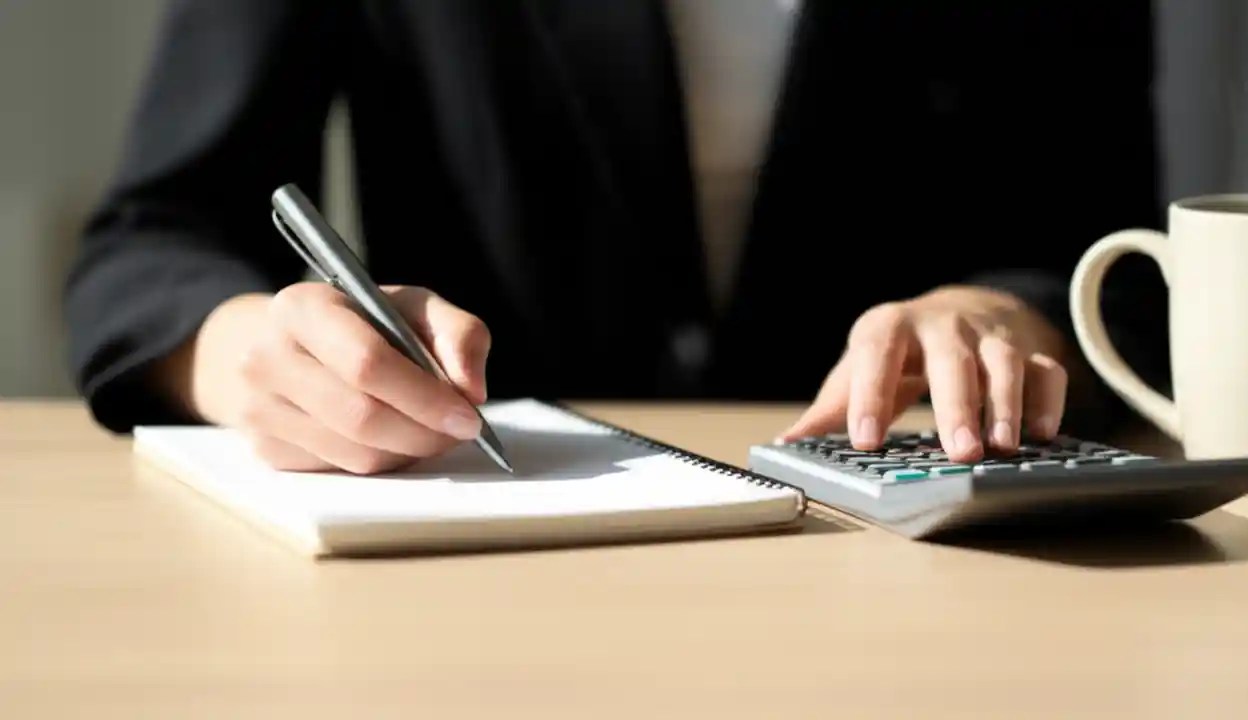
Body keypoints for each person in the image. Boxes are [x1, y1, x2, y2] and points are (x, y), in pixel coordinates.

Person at [63, 0, 1169, 474]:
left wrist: (1009, 312)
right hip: (469, 551)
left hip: (903, 563)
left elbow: (1117, 256)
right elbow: (153, 237)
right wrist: (247, 352)